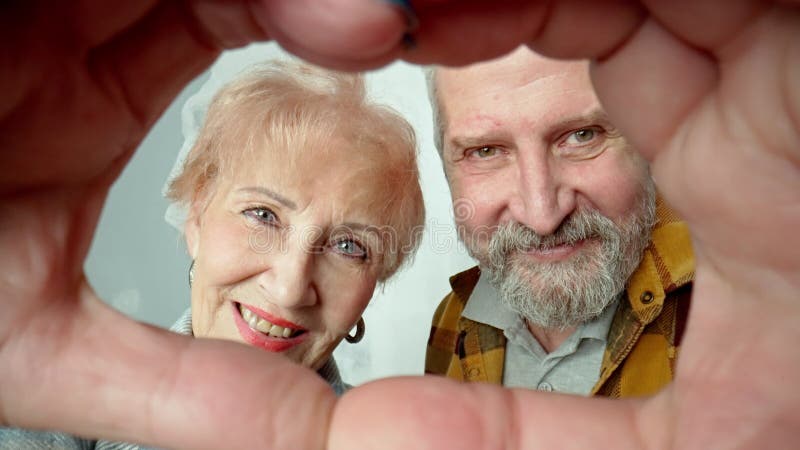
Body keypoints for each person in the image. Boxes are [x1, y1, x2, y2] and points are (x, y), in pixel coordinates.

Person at [0, 1, 797, 449]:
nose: (542, 206)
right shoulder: (461, 326)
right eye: (484, 150)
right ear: (193, 214)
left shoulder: (761, 318)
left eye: (581, 135)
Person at [0, 59, 424, 448]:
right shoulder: (54, 399)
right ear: (198, 213)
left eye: (348, 247)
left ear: (375, 282)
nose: (290, 288)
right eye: (263, 215)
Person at [424, 46, 693, 397]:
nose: (542, 217)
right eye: (486, 151)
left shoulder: (752, 314)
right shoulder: (452, 318)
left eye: (583, 135)